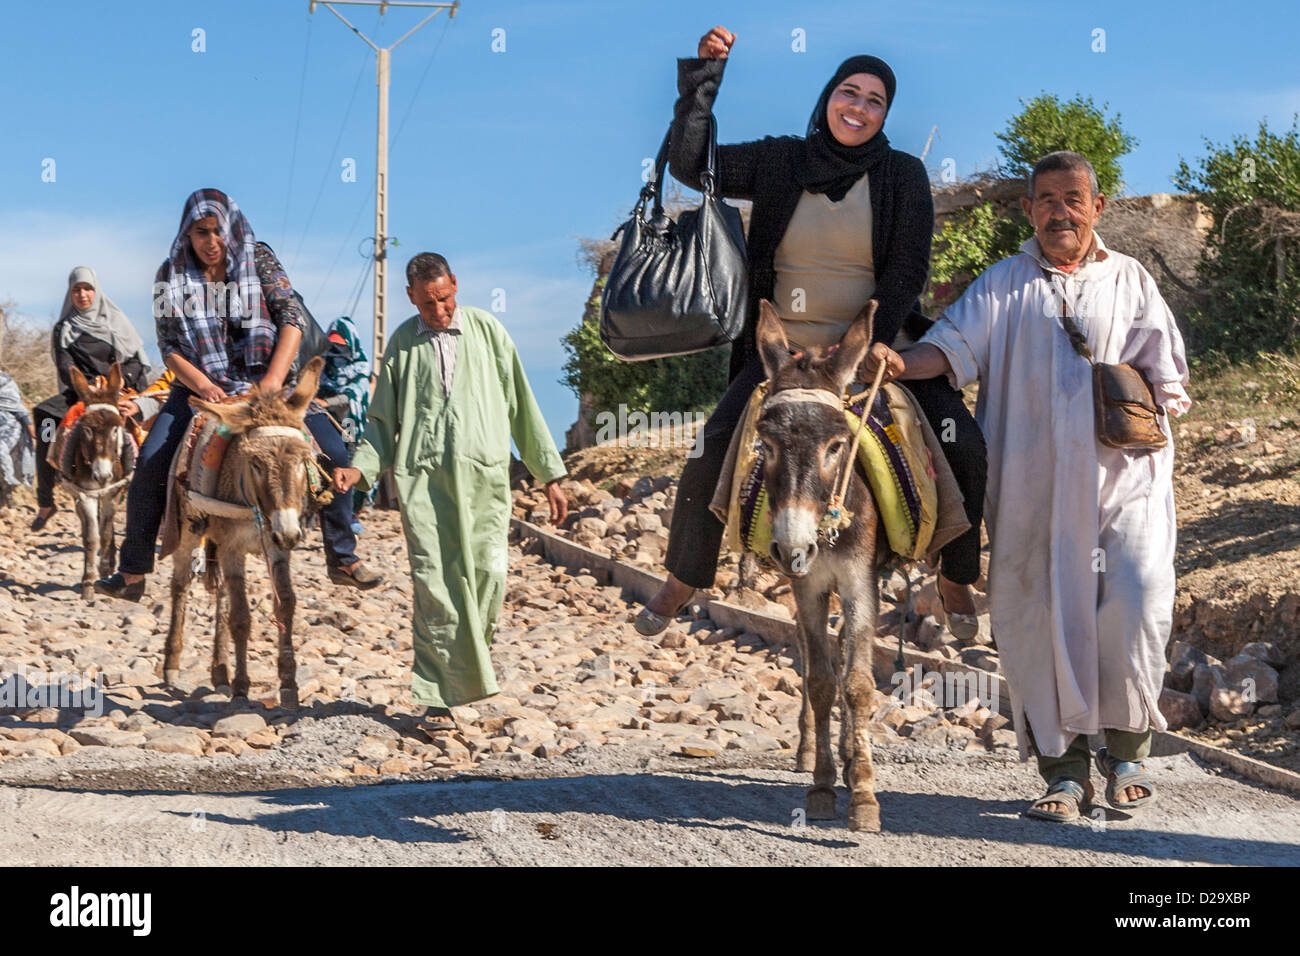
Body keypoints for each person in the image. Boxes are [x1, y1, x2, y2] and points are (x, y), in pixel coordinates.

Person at [636, 26, 987, 638]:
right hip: (784, 356)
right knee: (709, 446)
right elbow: (690, 165)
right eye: (849, 93)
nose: (860, 108)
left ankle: (955, 574)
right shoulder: (780, 161)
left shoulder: (903, 176)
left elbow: (909, 266)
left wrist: (873, 337)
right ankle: (684, 577)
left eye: (875, 101)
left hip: (870, 349)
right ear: (828, 97)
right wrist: (703, 79)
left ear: (886, 114)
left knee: (966, 445)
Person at [898, 151, 1191, 821]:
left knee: (1136, 603)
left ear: (1097, 207)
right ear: (1029, 211)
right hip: (1030, 492)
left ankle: (1125, 757)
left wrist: (1146, 398)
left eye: (1073, 198)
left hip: (1128, 485)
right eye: (1047, 200)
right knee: (1036, 620)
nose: (1060, 210)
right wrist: (893, 360)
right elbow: (947, 352)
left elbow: (1166, 376)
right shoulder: (1001, 285)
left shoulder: (1132, 279)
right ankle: (1063, 775)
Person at [95, 188, 381, 602]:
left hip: (269, 381)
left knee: (335, 451)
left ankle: (342, 557)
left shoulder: (259, 258)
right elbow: (170, 346)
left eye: (217, 231)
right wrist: (205, 386)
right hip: (201, 384)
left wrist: (272, 382)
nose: (210, 241)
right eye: (200, 232)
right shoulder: (169, 274)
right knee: (153, 462)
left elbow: (291, 319)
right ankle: (133, 572)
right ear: (186, 234)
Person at [333, 253, 569, 730]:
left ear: (455, 285)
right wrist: (360, 468)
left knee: (488, 575)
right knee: (434, 584)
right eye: (426, 304)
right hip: (423, 480)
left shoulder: (488, 332)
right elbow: (381, 421)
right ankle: (438, 698)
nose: (437, 312)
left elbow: (521, 403)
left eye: (443, 300)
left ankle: (466, 674)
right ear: (410, 297)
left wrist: (549, 475)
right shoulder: (402, 343)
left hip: (484, 477)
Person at [30, 266, 153, 531]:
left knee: (142, 428)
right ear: (70, 293)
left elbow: (134, 363)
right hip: (80, 391)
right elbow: (65, 365)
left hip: (114, 390)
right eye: (76, 289)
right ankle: (46, 499)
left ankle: (148, 502)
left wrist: (113, 382)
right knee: (45, 420)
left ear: (96, 292)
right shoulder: (63, 328)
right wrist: (85, 385)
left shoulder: (117, 323)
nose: (82, 294)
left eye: (87, 289)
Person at [0, 369, 35, 509]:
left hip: (9, 426)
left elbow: (18, 407)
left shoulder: (4, 382)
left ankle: (9, 487)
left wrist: (29, 426)